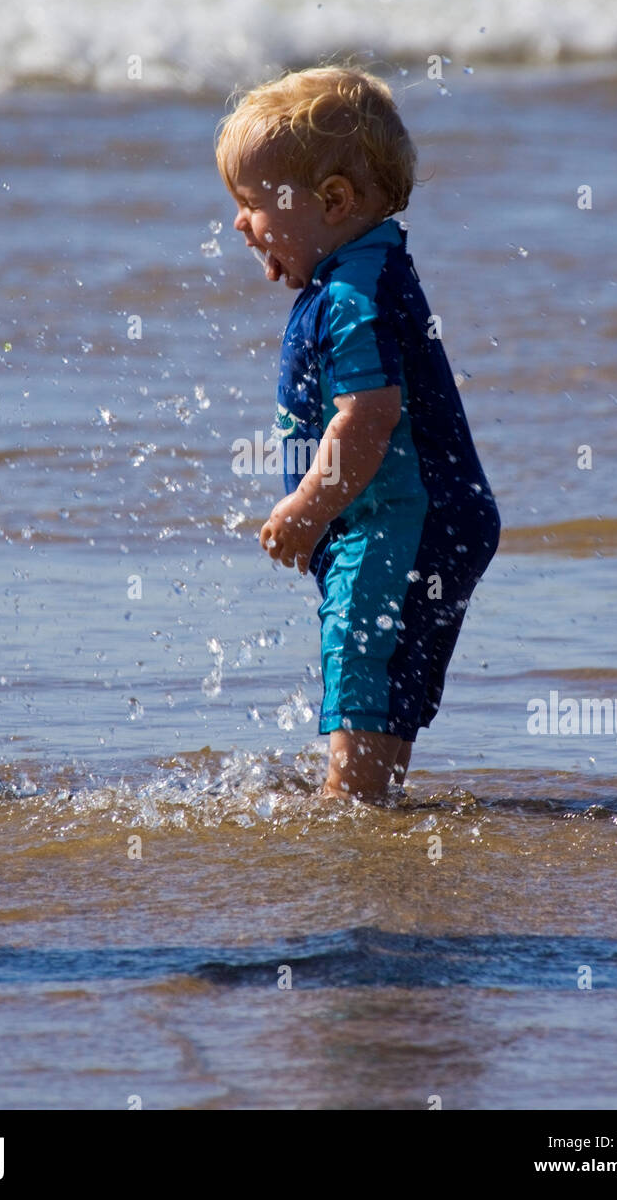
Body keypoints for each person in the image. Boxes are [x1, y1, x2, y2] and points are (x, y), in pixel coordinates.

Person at [215, 65, 500, 803]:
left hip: (399, 527)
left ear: (334, 200)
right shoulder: (364, 272)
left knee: (361, 666)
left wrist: (307, 511)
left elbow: (365, 417)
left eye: (251, 204)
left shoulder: (352, 293)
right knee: (382, 680)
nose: (239, 224)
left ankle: (354, 807)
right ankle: (372, 794)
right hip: (416, 522)